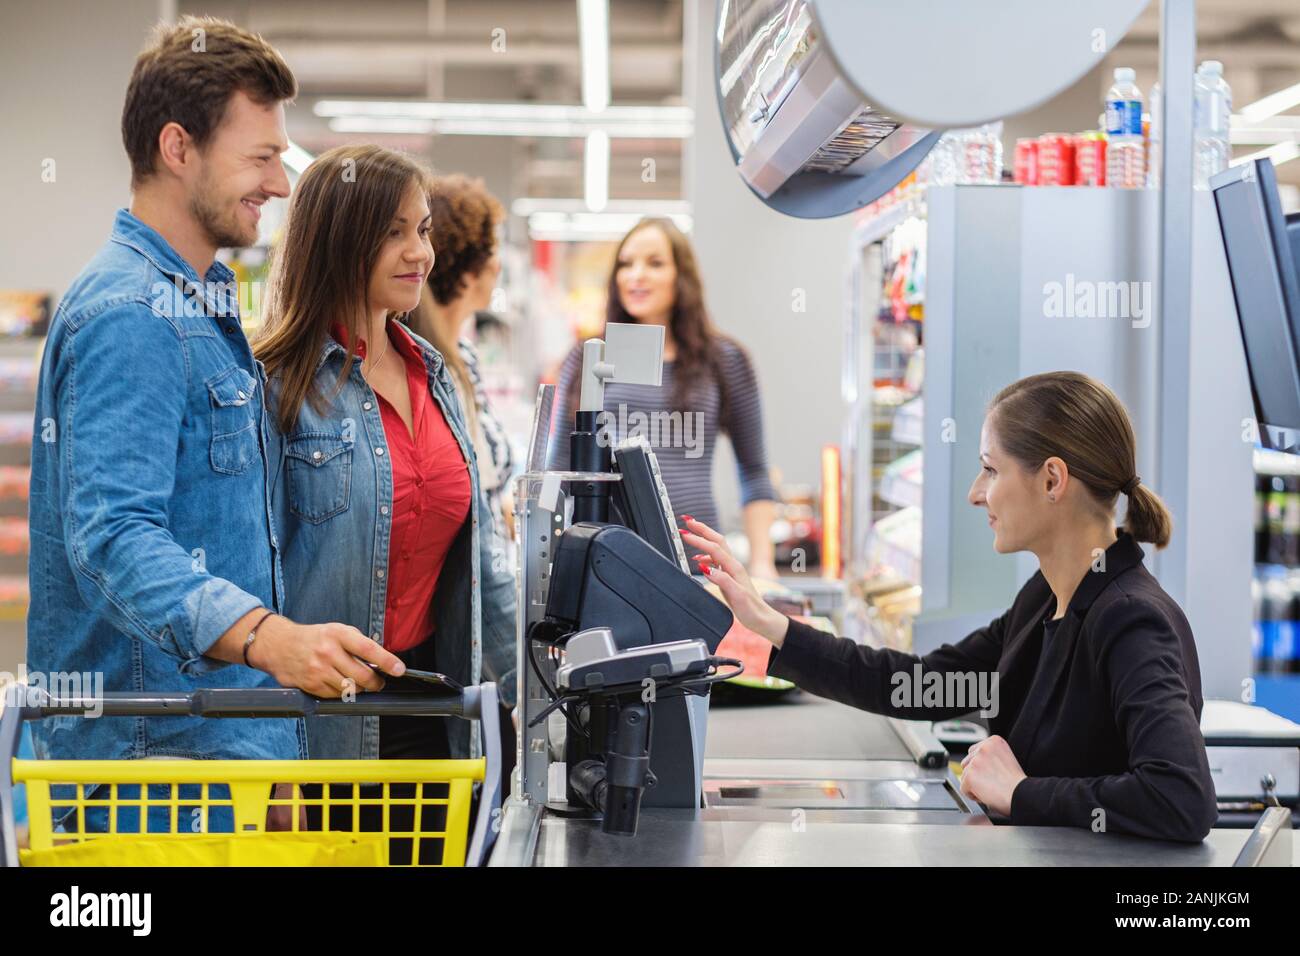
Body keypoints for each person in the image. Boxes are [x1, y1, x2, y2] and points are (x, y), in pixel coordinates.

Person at [27, 18, 403, 791]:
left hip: (216, 752)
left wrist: (270, 737)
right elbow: (114, 534)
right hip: (150, 765)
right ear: (178, 149)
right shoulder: (131, 313)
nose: (280, 183)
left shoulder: (201, 306)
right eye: (261, 157)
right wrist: (267, 640)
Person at [683, 371, 1218, 842]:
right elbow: (922, 684)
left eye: (990, 469)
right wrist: (773, 625)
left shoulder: (1130, 619)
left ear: (1052, 479)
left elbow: (1180, 798)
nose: (975, 493)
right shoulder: (1046, 600)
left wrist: (1024, 792)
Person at [254, 145, 516, 766]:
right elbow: (246, 580)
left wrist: (542, 691)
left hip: (437, 714)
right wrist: (266, 757)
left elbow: (478, 560)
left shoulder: (436, 374)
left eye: (422, 230)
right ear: (340, 239)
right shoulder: (272, 385)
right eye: (394, 232)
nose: (420, 252)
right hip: (319, 727)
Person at [548, 218, 778, 578]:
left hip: (697, 566)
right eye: (626, 264)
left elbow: (755, 472)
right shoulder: (590, 356)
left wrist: (764, 566)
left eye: (655, 263)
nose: (636, 275)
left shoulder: (724, 359)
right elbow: (559, 467)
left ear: (681, 276)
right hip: (608, 562)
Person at [406, 173, 516, 542]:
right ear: (469, 273)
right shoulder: (425, 364)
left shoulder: (462, 357)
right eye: (493, 251)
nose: (499, 267)